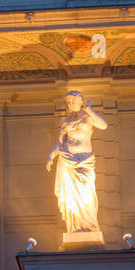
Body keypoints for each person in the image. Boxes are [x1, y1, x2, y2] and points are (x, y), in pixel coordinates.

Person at [47, 90, 107, 234]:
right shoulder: (66, 121)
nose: (70, 104)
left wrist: (90, 111)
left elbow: (103, 125)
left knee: (86, 188)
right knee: (71, 195)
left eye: (73, 101)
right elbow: (60, 142)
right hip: (66, 161)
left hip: (85, 161)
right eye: (69, 102)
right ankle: (75, 227)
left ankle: (90, 224)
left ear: (80, 102)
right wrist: (51, 155)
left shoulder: (87, 117)